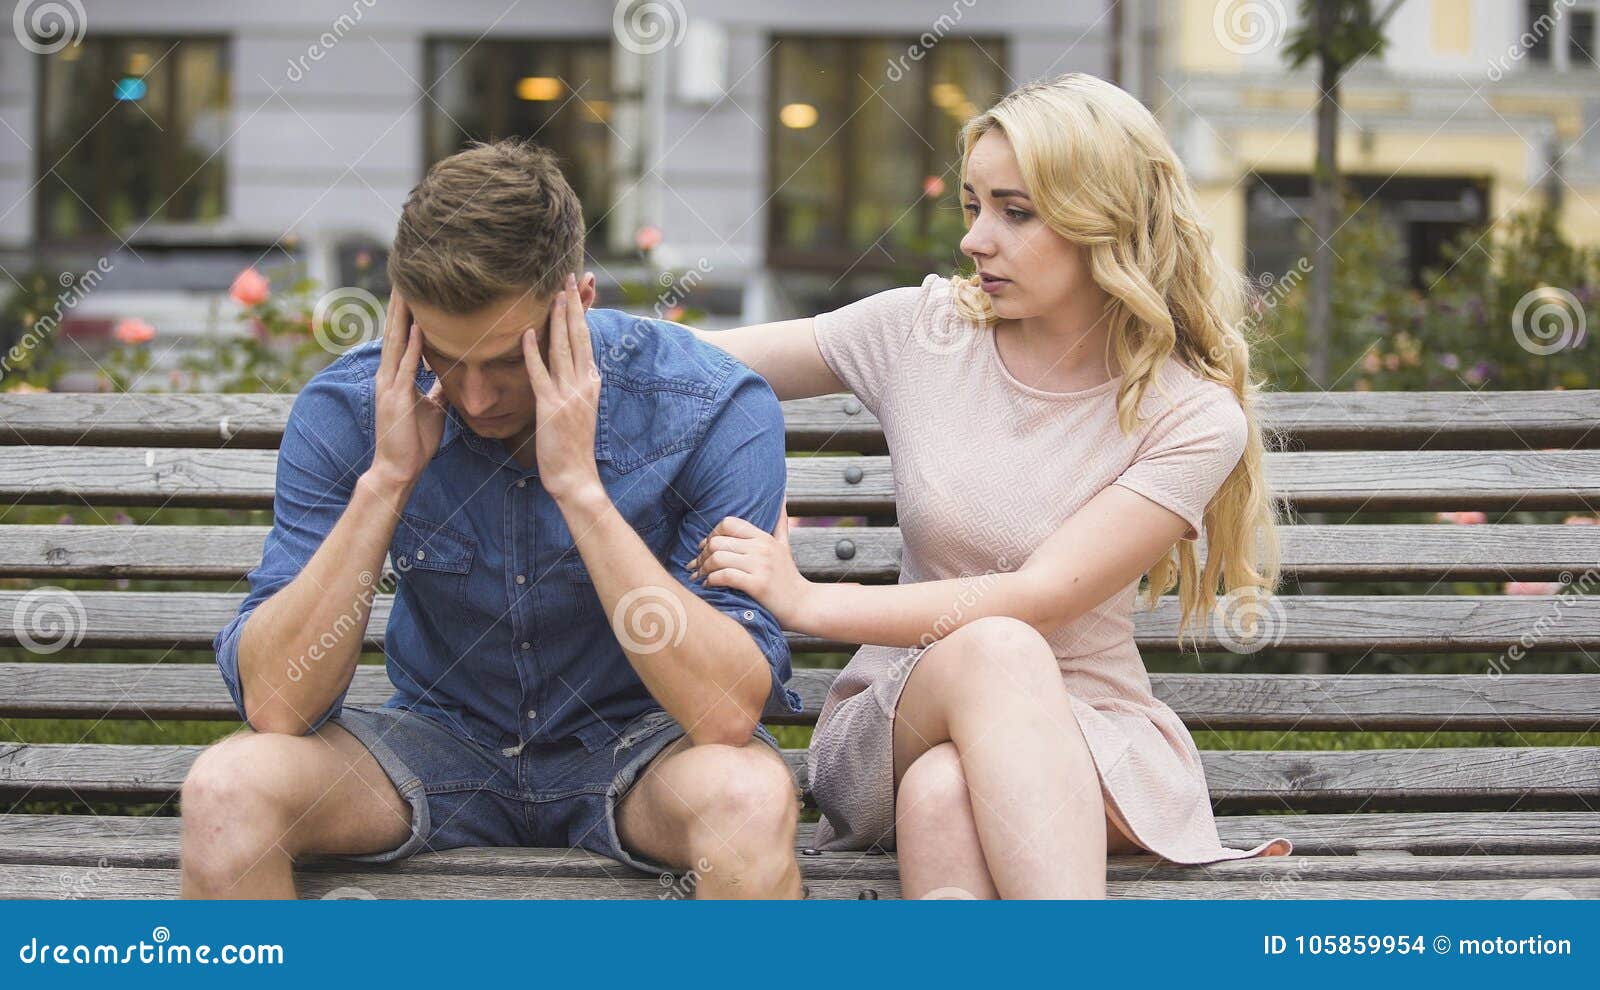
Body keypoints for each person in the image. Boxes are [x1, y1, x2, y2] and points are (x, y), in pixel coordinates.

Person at [690, 73, 1293, 899]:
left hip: (1096, 730)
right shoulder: (922, 332)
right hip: (902, 709)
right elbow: (692, 365)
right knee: (994, 657)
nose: (976, 239)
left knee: (946, 792)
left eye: (1015, 211)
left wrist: (806, 602)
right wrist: (542, 319)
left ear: (1106, 222)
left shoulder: (1189, 416)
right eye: (972, 205)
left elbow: (1038, 594)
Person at [180, 139, 804, 899]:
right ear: (403, 314)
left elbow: (725, 712)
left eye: (509, 361)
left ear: (579, 301)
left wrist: (581, 491)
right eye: (446, 357)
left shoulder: (710, 408)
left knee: (749, 795)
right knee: (226, 790)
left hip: (646, 750)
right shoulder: (348, 411)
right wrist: (387, 480)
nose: (474, 400)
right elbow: (278, 703)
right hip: (437, 744)